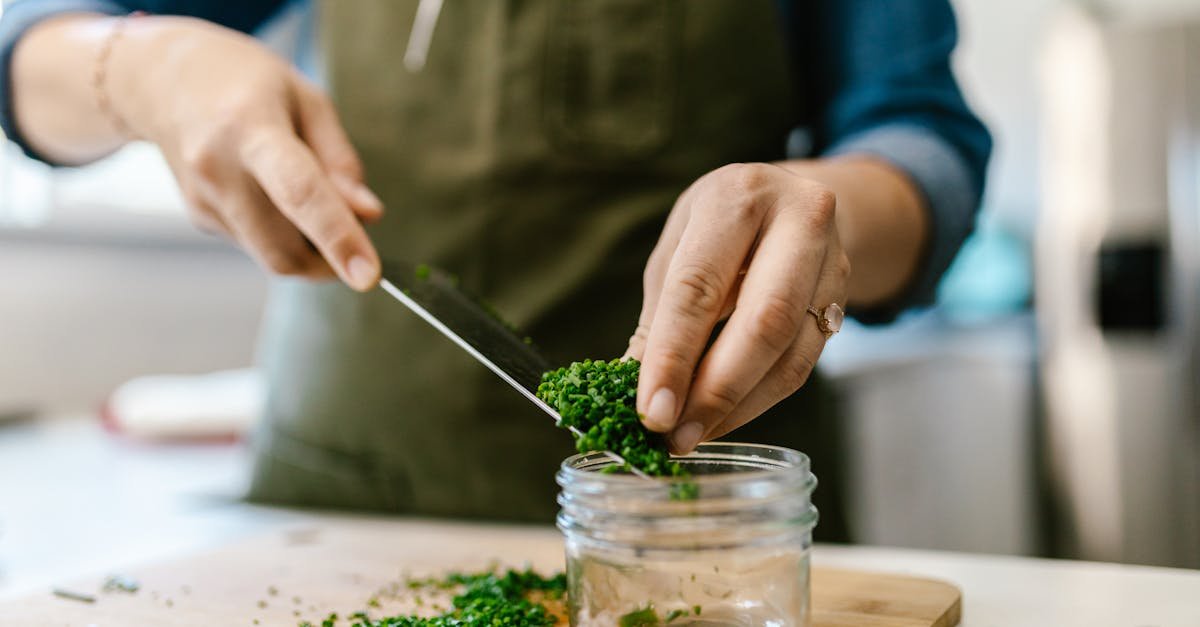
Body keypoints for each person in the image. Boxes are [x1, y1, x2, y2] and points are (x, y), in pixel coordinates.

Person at [0, 0, 990, 539]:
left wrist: (829, 210)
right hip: (340, 505)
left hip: (697, 518)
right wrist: (135, 69)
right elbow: (28, 48)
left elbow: (925, 140)